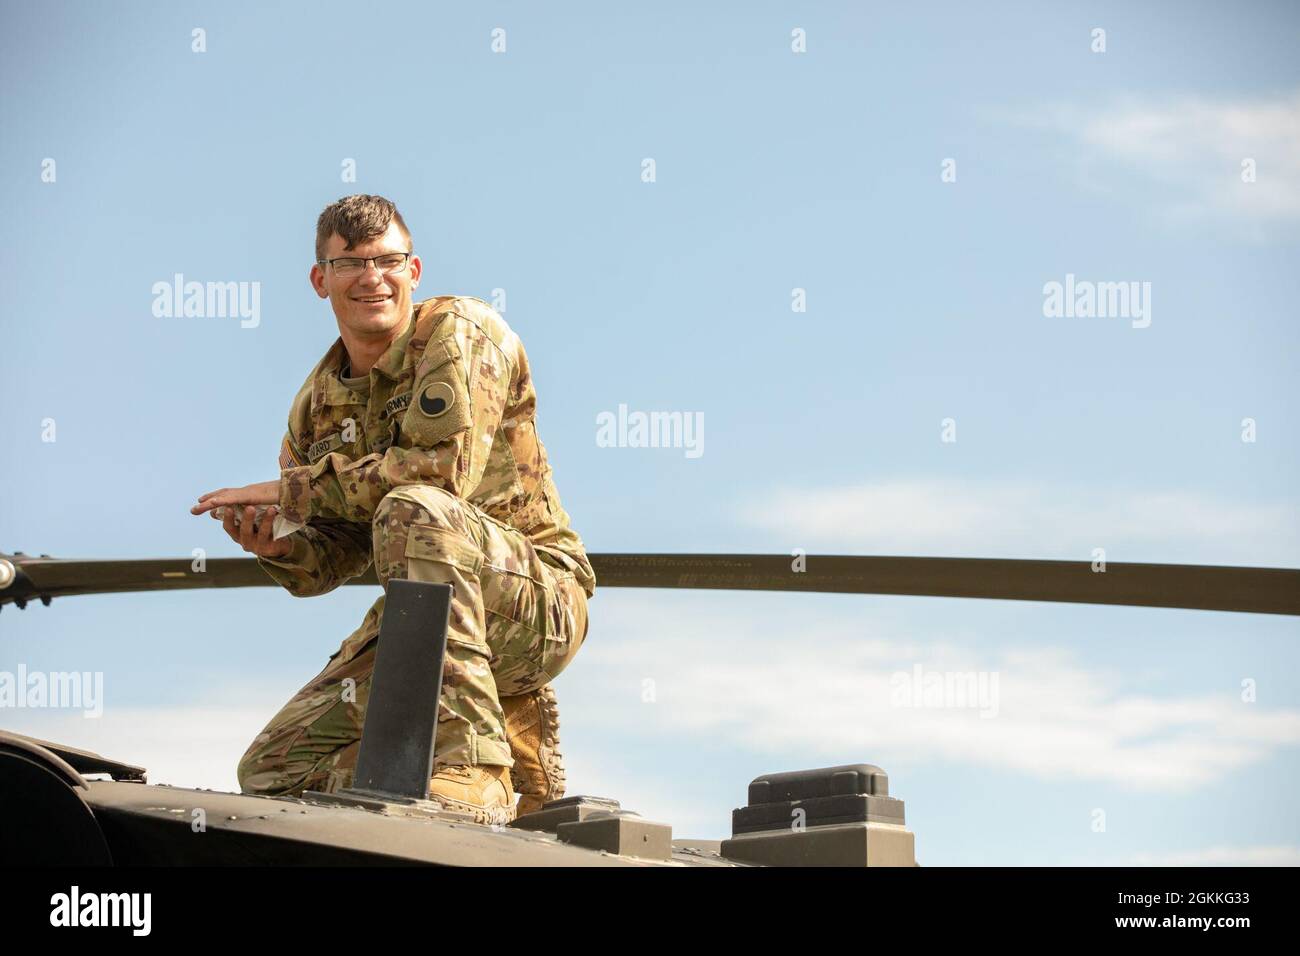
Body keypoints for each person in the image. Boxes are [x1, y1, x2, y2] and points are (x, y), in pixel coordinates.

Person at [191, 194, 594, 823]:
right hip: (429, 619)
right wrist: (281, 545)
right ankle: (477, 751)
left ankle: (479, 766)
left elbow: (441, 475)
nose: (372, 278)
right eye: (350, 264)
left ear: (414, 270)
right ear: (320, 280)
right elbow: (335, 555)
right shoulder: (315, 408)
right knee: (273, 770)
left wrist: (291, 491)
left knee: (416, 510)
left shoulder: (461, 333)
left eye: (387, 261)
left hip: (534, 603)